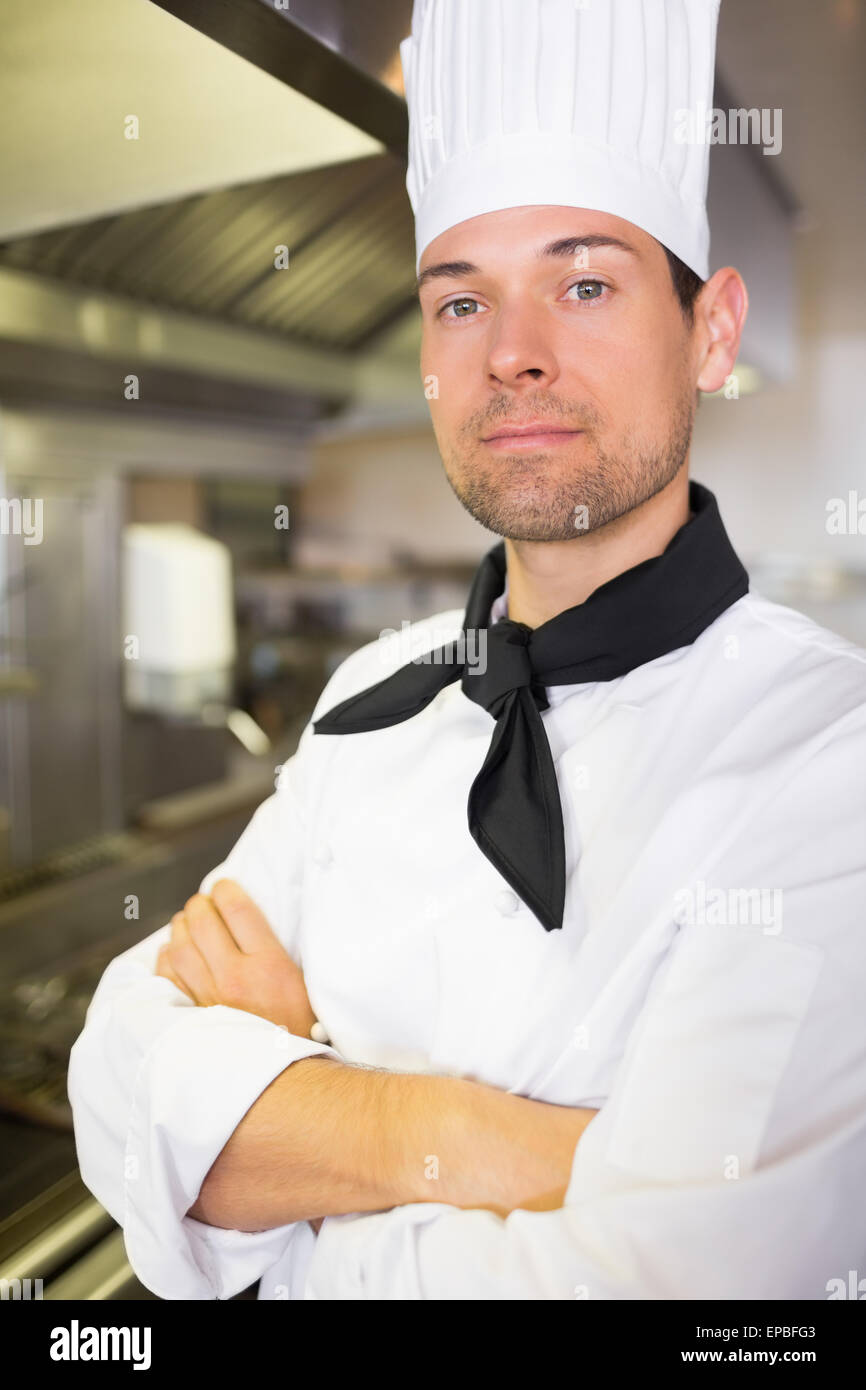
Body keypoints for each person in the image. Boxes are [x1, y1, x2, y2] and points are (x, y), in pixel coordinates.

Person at [68, 0, 866, 1300]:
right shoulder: (367, 697)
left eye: (585, 283)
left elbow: (694, 1295)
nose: (511, 355)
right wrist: (482, 1139)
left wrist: (288, 1110)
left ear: (711, 332)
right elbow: (120, 1081)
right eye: (459, 300)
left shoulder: (830, 761)